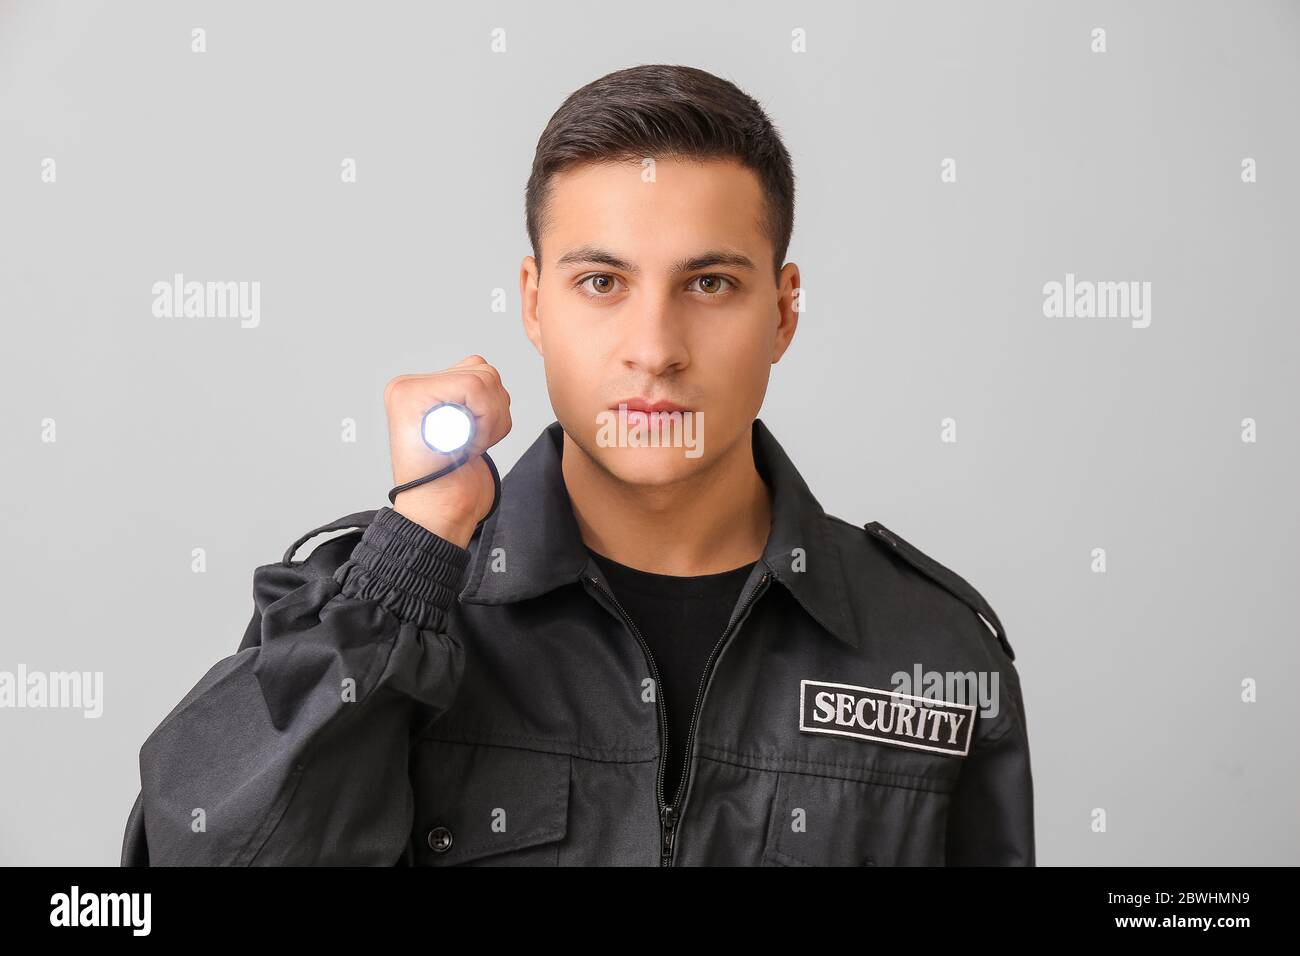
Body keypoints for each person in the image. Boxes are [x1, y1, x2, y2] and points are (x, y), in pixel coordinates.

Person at [121, 64, 1033, 866]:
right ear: (534, 302)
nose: (654, 349)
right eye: (602, 283)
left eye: (709, 284)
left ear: (785, 311)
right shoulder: (377, 611)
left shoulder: (932, 648)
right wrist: (414, 557)